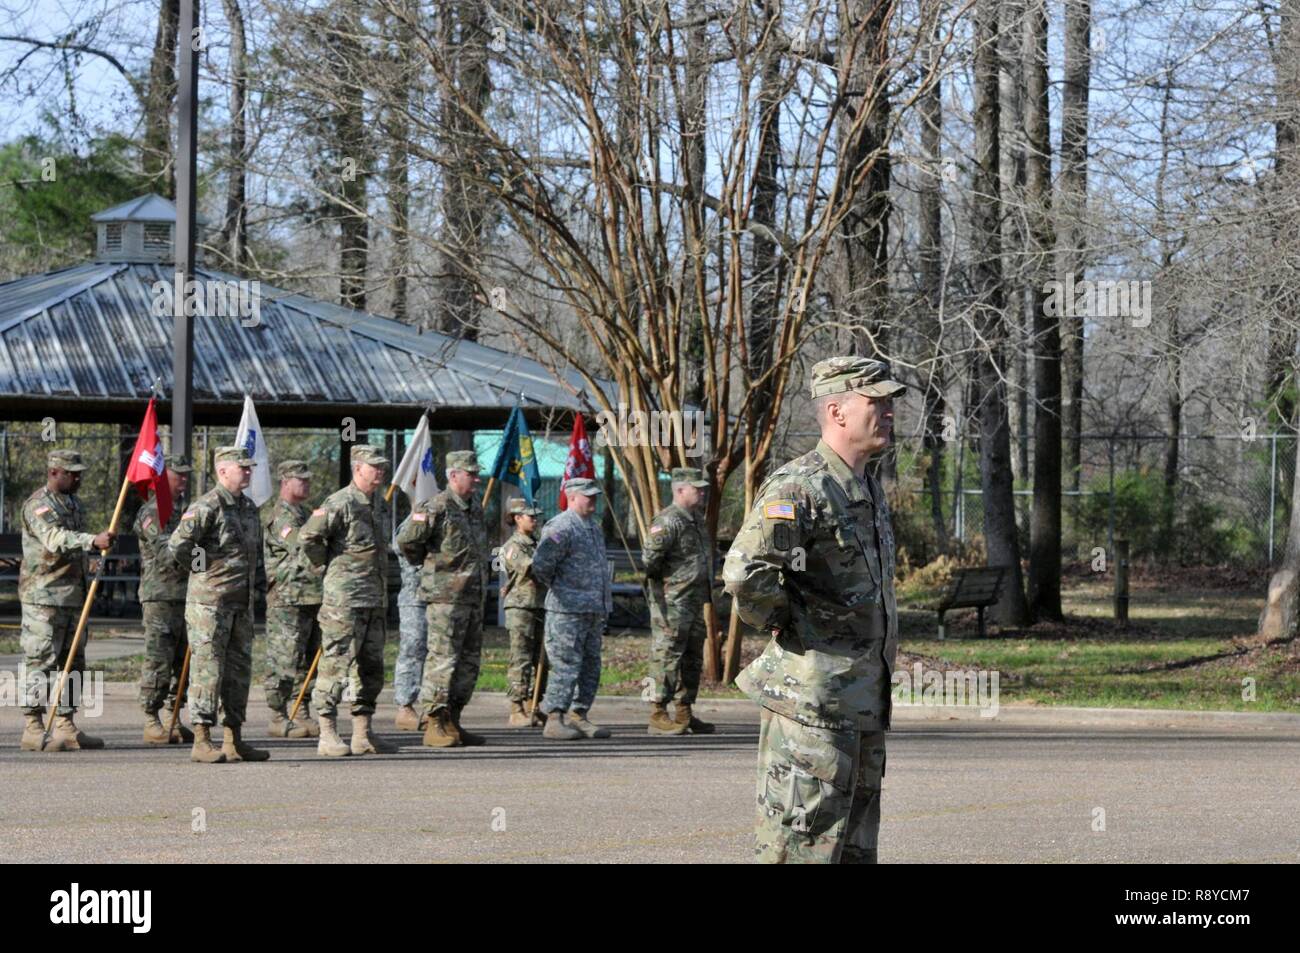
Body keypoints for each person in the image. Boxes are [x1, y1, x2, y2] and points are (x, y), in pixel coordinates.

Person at [723, 356, 905, 864]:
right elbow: (744, 572)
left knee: (852, 851)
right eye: (877, 402)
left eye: (890, 402)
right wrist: (787, 620)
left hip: (862, 704)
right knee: (799, 852)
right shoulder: (800, 486)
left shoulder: (865, 485)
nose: (889, 412)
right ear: (837, 410)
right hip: (813, 709)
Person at [166, 446, 267, 764]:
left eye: (250, 468)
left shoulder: (249, 507)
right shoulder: (208, 505)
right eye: (243, 468)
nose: (248, 472)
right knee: (208, 670)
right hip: (209, 604)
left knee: (239, 672)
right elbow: (178, 544)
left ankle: (233, 739)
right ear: (223, 471)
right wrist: (203, 568)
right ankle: (201, 739)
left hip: (240, 604)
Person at [298, 444, 396, 757]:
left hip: (374, 598)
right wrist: (328, 567)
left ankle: (362, 734)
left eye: (382, 466)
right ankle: (327, 733)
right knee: (336, 663)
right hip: (344, 600)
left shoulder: (378, 504)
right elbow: (309, 537)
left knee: (370, 666)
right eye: (374, 466)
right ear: (358, 468)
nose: (379, 472)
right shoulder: (340, 502)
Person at [18, 449, 114, 752]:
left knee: (73, 664)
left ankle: (65, 724)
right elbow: (54, 539)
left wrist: (94, 556)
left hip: (73, 596)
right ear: (53, 472)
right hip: (43, 597)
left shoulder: (73, 504)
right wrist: (90, 540)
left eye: (79, 472)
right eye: (72, 473)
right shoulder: (38, 506)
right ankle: (33, 726)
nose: (78, 477)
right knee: (41, 661)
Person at [396, 450, 491, 748]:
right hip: (445, 600)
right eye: (470, 473)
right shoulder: (436, 506)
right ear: (453, 476)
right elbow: (406, 541)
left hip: (473, 598)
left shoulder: (475, 506)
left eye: (476, 473)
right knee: (442, 660)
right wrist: (433, 569)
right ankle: (434, 722)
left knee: (468, 662)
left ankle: (454, 720)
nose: (476, 478)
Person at [530, 477, 612, 741]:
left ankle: (579, 714)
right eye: (588, 495)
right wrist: (565, 590)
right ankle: (554, 717)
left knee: (590, 665)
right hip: (567, 611)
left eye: (594, 495)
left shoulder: (593, 527)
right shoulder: (560, 527)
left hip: (593, 609)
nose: (593, 500)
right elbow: (541, 566)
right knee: (565, 665)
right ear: (572, 497)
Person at [642, 467, 715, 736]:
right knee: (666, 656)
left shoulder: (695, 520)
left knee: (692, 657)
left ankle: (684, 711)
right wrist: (666, 588)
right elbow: (650, 560)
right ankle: (657, 713)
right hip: (671, 603)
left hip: (694, 602)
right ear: (680, 490)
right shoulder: (668, 520)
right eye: (698, 488)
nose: (703, 492)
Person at [135, 454, 195, 745]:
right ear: (161, 477)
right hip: (159, 596)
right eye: (177, 475)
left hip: (185, 595)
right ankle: (151, 717)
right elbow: (166, 553)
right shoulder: (152, 512)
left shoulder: (181, 511)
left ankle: (174, 715)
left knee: (183, 658)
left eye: (185, 475)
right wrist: (199, 556)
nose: (183, 480)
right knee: (159, 658)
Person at [261, 459, 323, 739]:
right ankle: (277, 714)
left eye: (309, 479)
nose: (307, 483)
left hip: (311, 596)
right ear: (285, 482)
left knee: (308, 661)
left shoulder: (306, 513)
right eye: (302, 480)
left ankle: (301, 710)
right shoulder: (281, 517)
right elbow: (303, 543)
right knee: (284, 659)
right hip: (287, 598)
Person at [499, 496, 546, 727]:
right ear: (517, 519)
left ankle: (533, 703)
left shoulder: (536, 543)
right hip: (520, 607)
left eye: (536, 516)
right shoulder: (512, 546)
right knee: (521, 658)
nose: (535, 520)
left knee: (540, 658)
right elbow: (532, 567)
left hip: (538, 605)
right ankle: (516, 707)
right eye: (530, 516)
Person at [392, 514, 429, 732]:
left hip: (440, 597)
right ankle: (405, 707)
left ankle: (433, 708)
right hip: (414, 596)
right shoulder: (414, 520)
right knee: (413, 649)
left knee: (438, 654)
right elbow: (402, 544)